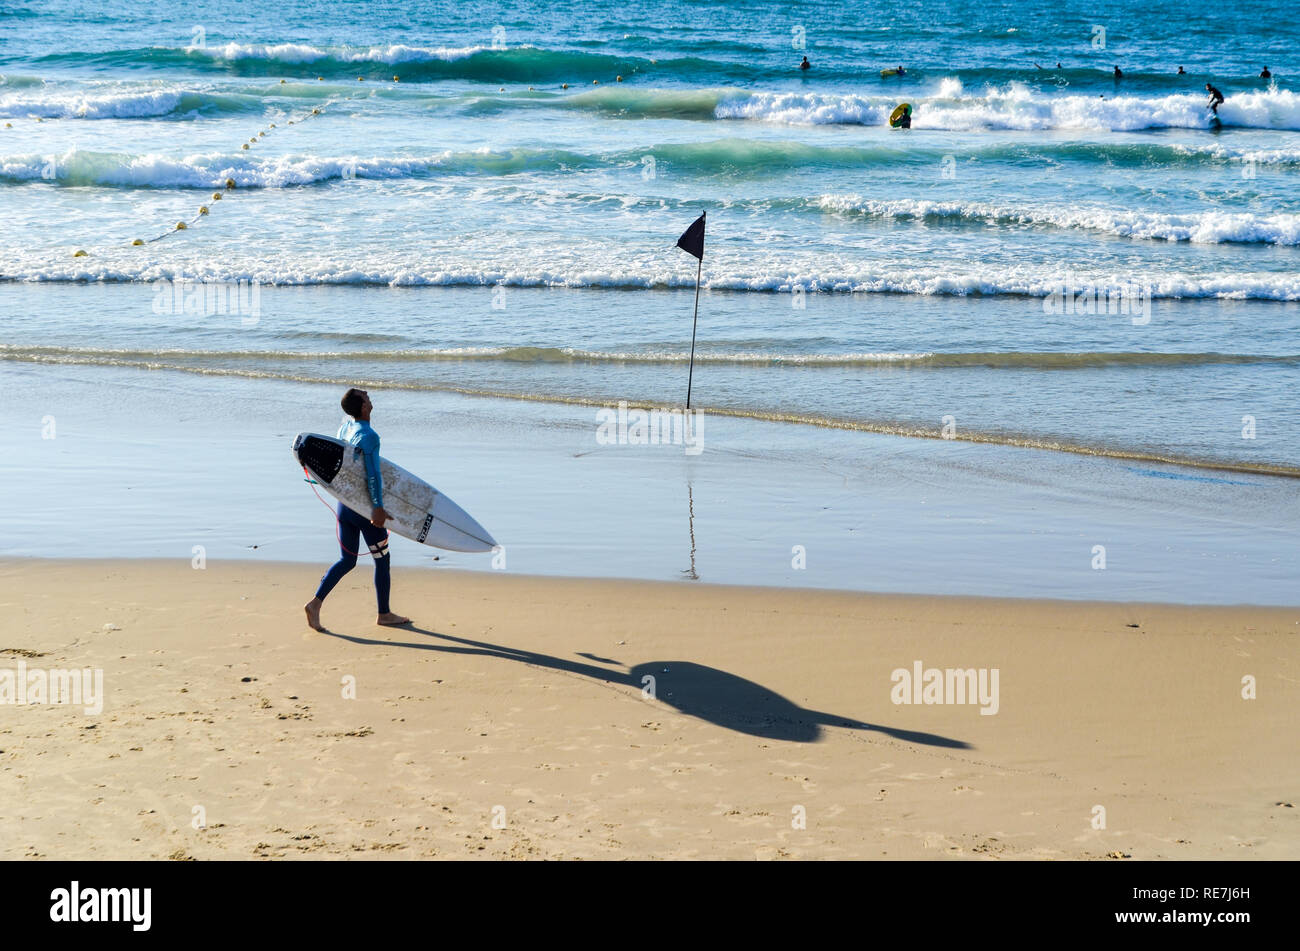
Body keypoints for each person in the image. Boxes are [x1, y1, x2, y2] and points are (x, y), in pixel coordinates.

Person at [304, 387, 410, 630]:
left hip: (344, 506)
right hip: (363, 509)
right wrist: (378, 508)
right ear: (363, 407)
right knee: (382, 559)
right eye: (365, 396)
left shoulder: (345, 428)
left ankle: (315, 604)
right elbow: (372, 475)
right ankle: (384, 614)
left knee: (347, 560)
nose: (368, 395)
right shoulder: (370, 436)